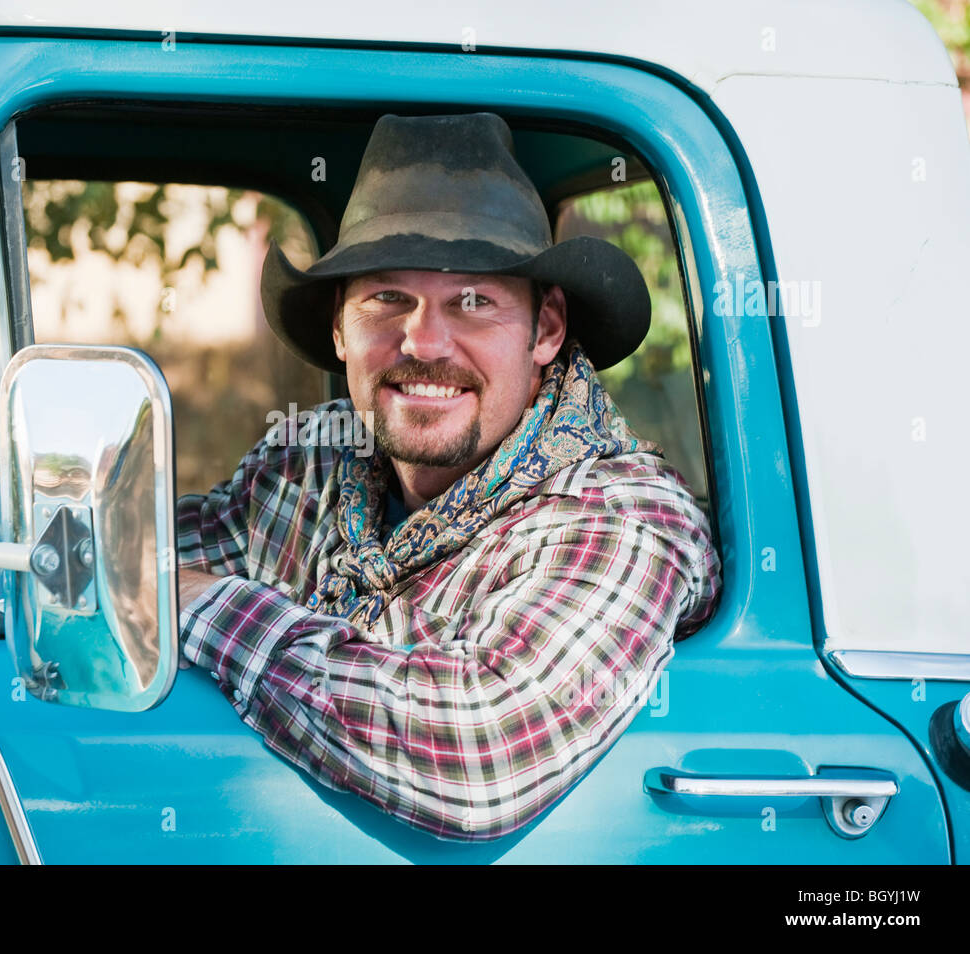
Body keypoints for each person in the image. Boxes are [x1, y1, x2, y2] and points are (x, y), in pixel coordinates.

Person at [175, 112, 721, 841]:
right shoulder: (306, 464)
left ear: (547, 329)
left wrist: (202, 606)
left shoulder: (621, 518)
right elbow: (124, 552)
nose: (423, 342)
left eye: (473, 301)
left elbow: (475, 756)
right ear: (341, 327)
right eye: (386, 298)